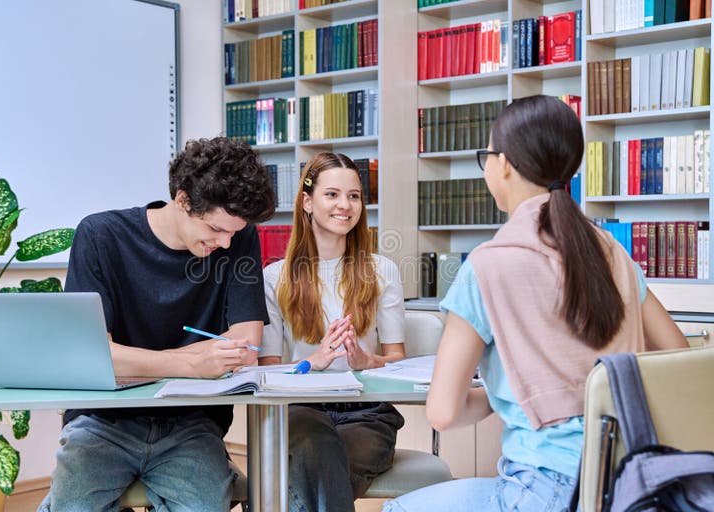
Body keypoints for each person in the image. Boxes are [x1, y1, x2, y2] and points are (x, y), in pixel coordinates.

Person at [383, 95, 688, 512]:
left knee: (398, 508)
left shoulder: (487, 265)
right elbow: (676, 355)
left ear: (504, 164)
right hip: (625, 482)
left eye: (486, 156)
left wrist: (507, 393)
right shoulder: (612, 251)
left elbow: (442, 412)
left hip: (544, 490)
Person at [38, 137, 275, 512]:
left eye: (233, 232)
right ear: (183, 200)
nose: (227, 243)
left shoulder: (238, 236)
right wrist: (189, 364)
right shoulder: (101, 236)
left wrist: (131, 361)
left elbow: (244, 348)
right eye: (215, 229)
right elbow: (93, 357)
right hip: (103, 422)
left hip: (191, 425)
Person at [259, 151, 407, 512]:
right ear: (307, 202)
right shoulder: (274, 277)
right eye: (333, 195)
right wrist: (315, 361)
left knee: (309, 467)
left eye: (354, 196)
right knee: (315, 449)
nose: (346, 205)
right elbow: (265, 371)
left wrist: (365, 359)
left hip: (367, 413)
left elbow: (398, 361)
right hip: (300, 411)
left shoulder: (382, 270)